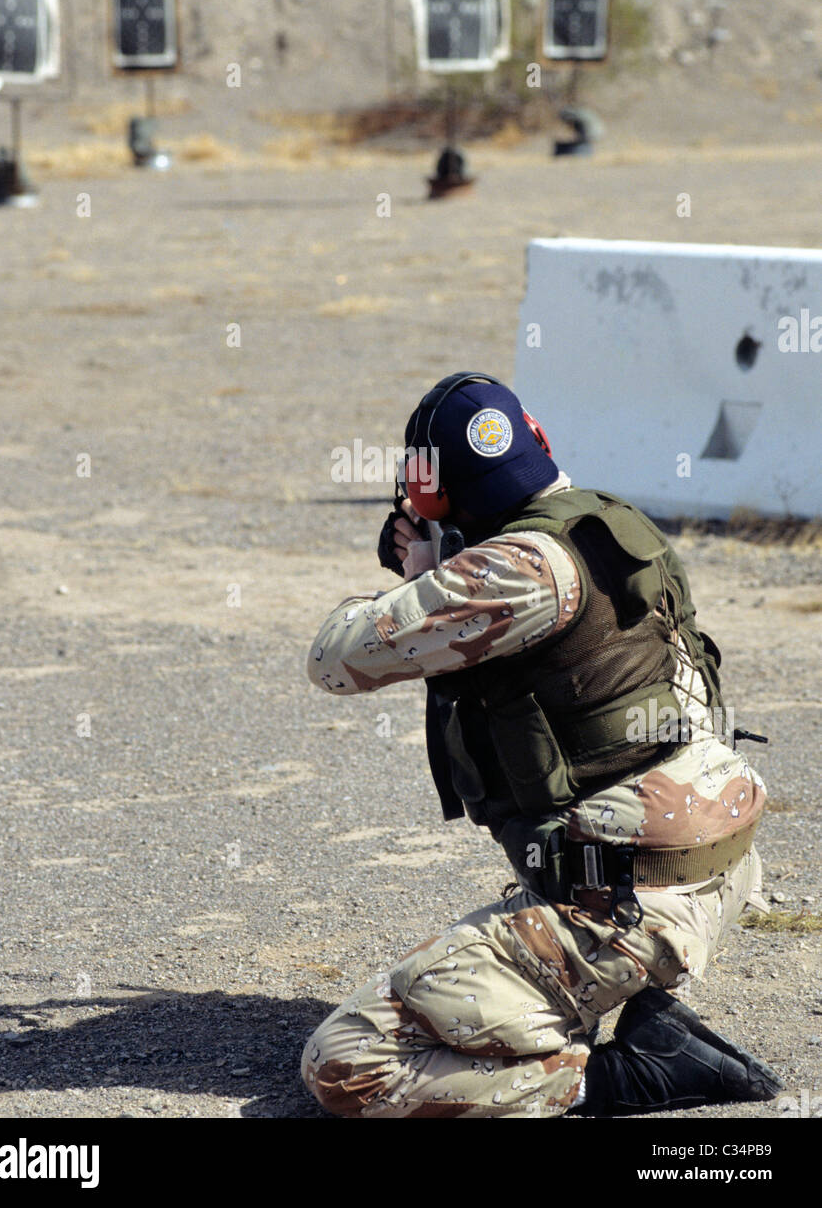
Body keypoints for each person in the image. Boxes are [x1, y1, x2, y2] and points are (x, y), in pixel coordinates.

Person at [301, 372, 782, 1119]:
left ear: (429, 497)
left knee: (349, 1065)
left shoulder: (507, 571)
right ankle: (612, 989)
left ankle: (636, 1074)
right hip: (716, 869)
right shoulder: (611, 521)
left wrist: (421, 581)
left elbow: (335, 660)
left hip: (629, 905)